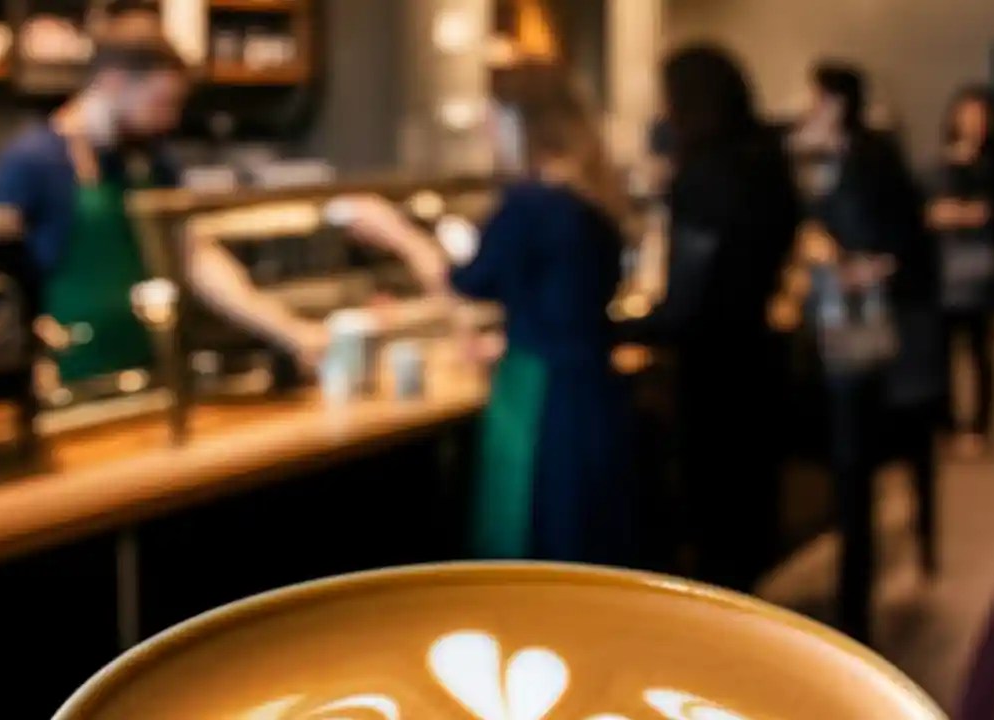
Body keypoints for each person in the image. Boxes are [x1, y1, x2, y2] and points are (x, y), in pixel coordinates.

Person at [338, 71, 634, 565]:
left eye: (493, 122)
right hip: (597, 393)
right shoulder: (595, 200)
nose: (488, 135)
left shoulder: (530, 203)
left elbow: (466, 283)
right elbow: (568, 305)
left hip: (543, 397)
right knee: (589, 543)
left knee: (533, 540)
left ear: (520, 124)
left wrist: (399, 235)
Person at [0, 33, 326, 386]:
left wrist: (290, 328)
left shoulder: (150, 160)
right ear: (113, 83)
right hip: (65, 381)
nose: (169, 120)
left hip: (147, 374)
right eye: (161, 103)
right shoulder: (30, 161)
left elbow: (195, 255)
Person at [636, 46, 801, 592]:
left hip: (713, 367)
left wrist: (619, 328)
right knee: (752, 506)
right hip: (760, 350)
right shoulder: (769, 161)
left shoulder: (703, 176)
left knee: (713, 519)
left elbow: (689, 298)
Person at [800, 62, 940, 640]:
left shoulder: (873, 157)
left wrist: (862, 270)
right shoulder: (834, 159)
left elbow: (907, 238)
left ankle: (855, 605)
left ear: (833, 100)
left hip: (870, 330)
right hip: (847, 325)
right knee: (852, 458)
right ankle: (854, 591)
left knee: (857, 458)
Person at [930, 86, 994, 451]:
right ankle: (946, 423)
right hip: (943, 268)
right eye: (967, 115)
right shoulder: (939, 163)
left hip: (983, 269)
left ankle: (977, 428)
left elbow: (989, 210)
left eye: (981, 116)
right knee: (940, 351)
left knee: (979, 350)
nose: (974, 123)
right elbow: (929, 210)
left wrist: (961, 213)